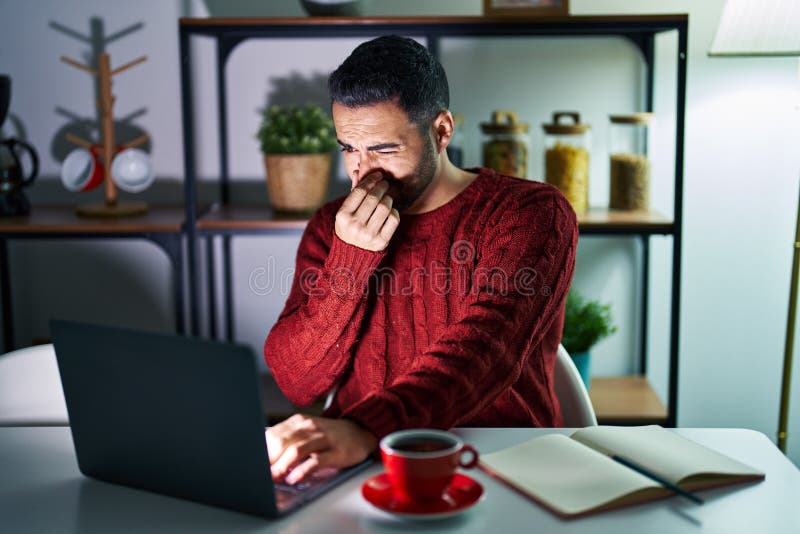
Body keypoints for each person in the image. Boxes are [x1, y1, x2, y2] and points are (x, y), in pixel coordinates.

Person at [263, 35, 577, 485]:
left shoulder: (530, 214)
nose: (362, 172)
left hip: (501, 463)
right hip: (362, 465)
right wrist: (351, 259)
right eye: (349, 148)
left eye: (384, 149)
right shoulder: (331, 224)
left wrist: (367, 428)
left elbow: (482, 352)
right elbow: (296, 382)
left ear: (442, 131)